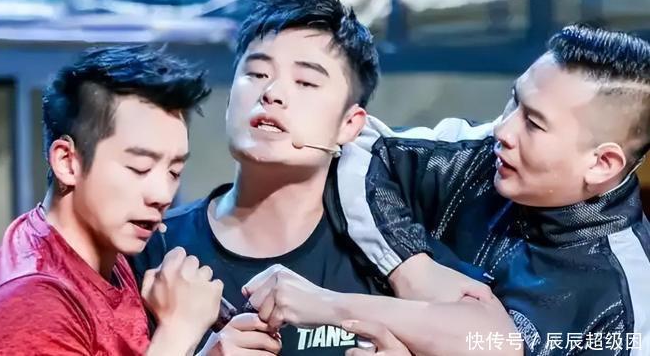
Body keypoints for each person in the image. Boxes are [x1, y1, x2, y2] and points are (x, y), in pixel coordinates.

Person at [242, 25, 650, 355]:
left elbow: (498, 346)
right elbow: (359, 144)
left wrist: (329, 306)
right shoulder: (477, 155)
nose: (503, 130)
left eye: (534, 124)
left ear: (602, 164)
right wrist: (409, 266)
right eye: (514, 102)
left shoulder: (627, 301)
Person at [130, 0, 415, 355]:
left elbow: (488, 337)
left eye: (305, 82)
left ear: (349, 125)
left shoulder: (385, 250)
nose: (272, 93)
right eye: (257, 73)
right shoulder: (153, 248)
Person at [0, 45, 223, 355]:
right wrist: (178, 330)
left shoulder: (104, 251)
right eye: (139, 168)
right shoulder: (28, 305)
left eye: (174, 171)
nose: (162, 195)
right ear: (67, 162)